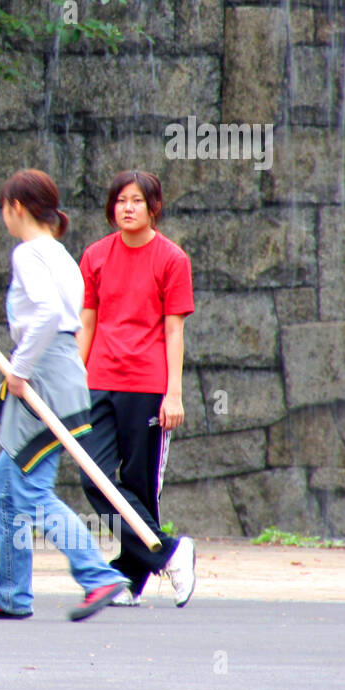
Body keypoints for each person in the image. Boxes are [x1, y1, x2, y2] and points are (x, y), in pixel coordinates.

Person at [0, 169, 128, 622]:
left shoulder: (28, 253)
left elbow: (45, 316)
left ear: (16, 207)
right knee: (5, 489)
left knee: (29, 492)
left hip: (44, 374)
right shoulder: (60, 254)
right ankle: (11, 595)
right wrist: (3, 389)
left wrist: (18, 373)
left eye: (4, 207)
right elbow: (55, 328)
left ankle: (98, 575)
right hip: (58, 373)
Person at [76, 170, 196, 607]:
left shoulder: (172, 259)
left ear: (153, 207)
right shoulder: (95, 255)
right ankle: (170, 552)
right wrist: (74, 379)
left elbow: (174, 331)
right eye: (120, 200)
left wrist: (173, 394)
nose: (127, 208)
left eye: (137, 201)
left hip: (147, 387)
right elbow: (87, 321)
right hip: (98, 382)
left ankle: (129, 580)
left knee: (140, 487)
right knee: (93, 477)